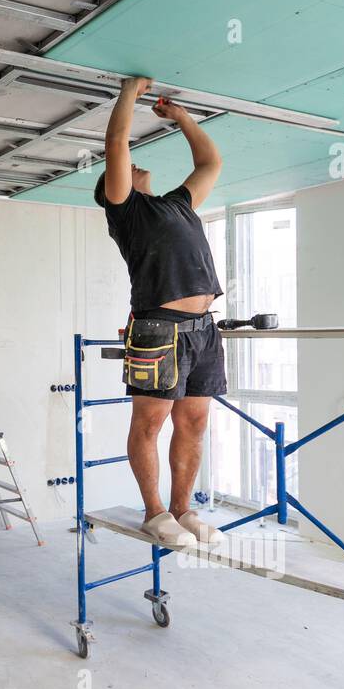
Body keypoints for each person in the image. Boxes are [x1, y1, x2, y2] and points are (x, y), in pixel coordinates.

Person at [95, 75, 225, 549]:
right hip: (159, 329)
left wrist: (183, 117)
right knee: (149, 423)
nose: (137, 166)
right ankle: (154, 513)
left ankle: (183, 508)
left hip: (204, 330)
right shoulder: (125, 209)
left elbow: (210, 162)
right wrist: (130, 91)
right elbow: (115, 142)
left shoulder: (179, 204)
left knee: (193, 422)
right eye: (130, 167)